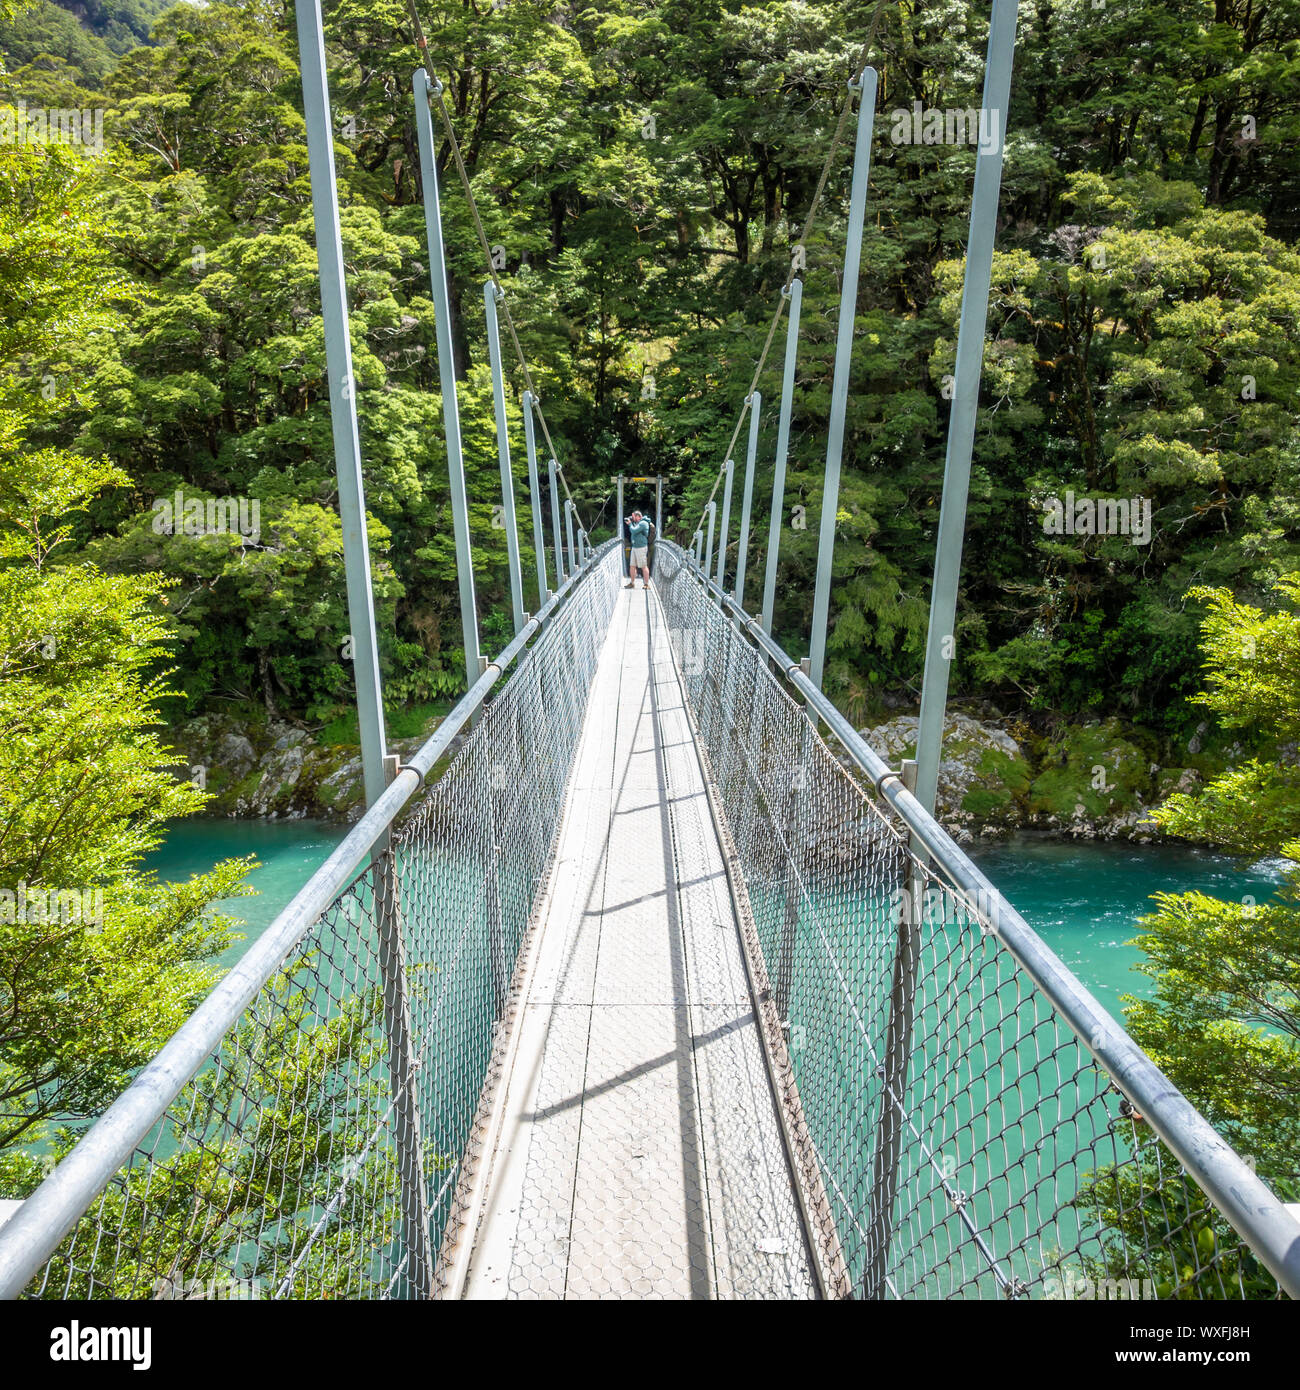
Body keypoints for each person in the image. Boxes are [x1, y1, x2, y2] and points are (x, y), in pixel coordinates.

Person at [623, 510, 654, 589]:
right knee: (632, 566)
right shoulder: (637, 523)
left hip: (641, 547)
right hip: (634, 546)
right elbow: (633, 529)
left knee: (643, 566)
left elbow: (634, 530)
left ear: (639, 516)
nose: (633, 518)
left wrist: (630, 524)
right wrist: (631, 523)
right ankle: (632, 583)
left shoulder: (643, 523)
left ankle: (646, 584)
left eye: (634, 517)